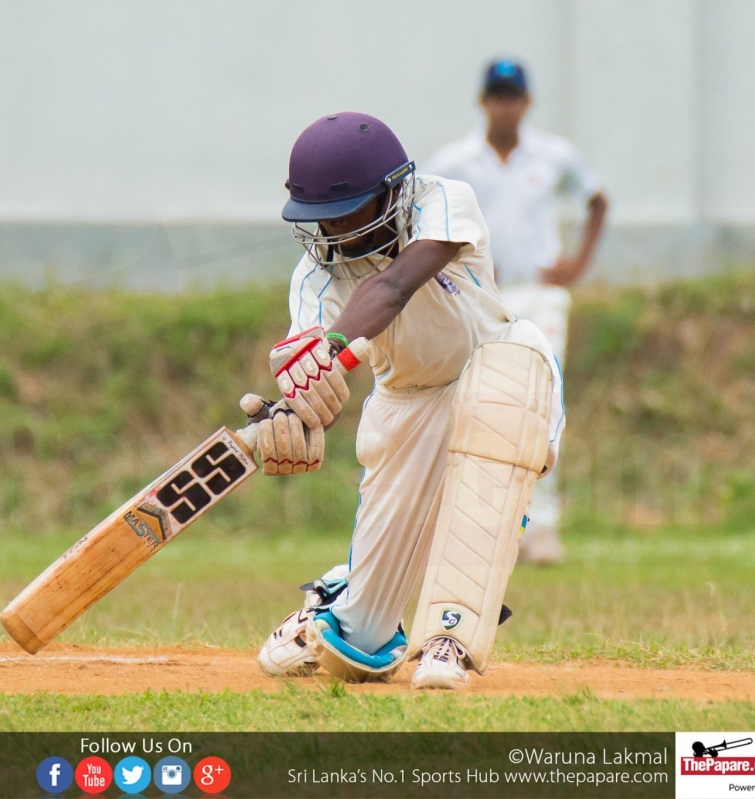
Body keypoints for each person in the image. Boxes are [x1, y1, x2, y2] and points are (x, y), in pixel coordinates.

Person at [251, 112, 565, 689]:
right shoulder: (313, 277)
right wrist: (296, 415)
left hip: (500, 365)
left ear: (392, 190)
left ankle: (449, 638)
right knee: (360, 645)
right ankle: (339, 600)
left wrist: (336, 347)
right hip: (406, 403)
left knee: (488, 465)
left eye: (346, 212)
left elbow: (393, 287)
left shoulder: (443, 200)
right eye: (321, 218)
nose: (334, 230)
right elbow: (310, 374)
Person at [426, 59, 608, 564]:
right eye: (498, 96)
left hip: (539, 293)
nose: (506, 105)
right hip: (481, 298)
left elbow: (596, 201)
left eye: (514, 97)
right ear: (484, 101)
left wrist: (574, 265)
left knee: (543, 403)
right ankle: (478, 524)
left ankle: (541, 526)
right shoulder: (457, 160)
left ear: (526, 103)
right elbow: (423, 213)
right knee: (476, 403)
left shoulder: (552, 155)